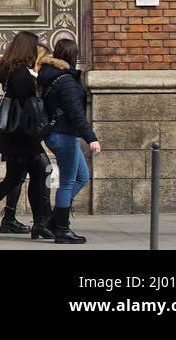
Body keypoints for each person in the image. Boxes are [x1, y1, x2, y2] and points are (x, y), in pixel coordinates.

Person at [0, 30, 54, 240]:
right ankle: (40, 223)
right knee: (40, 171)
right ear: (27, 49)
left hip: (15, 136)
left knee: (14, 179)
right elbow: (31, 103)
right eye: (34, 48)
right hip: (23, 136)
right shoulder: (21, 74)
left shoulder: (13, 71)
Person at [39, 37, 100, 244]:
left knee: (82, 177)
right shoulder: (66, 81)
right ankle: (62, 230)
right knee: (67, 182)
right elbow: (76, 113)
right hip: (64, 135)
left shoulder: (51, 75)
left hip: (61, 135)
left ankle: (55, 220)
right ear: (73, 56)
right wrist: (91, 138)